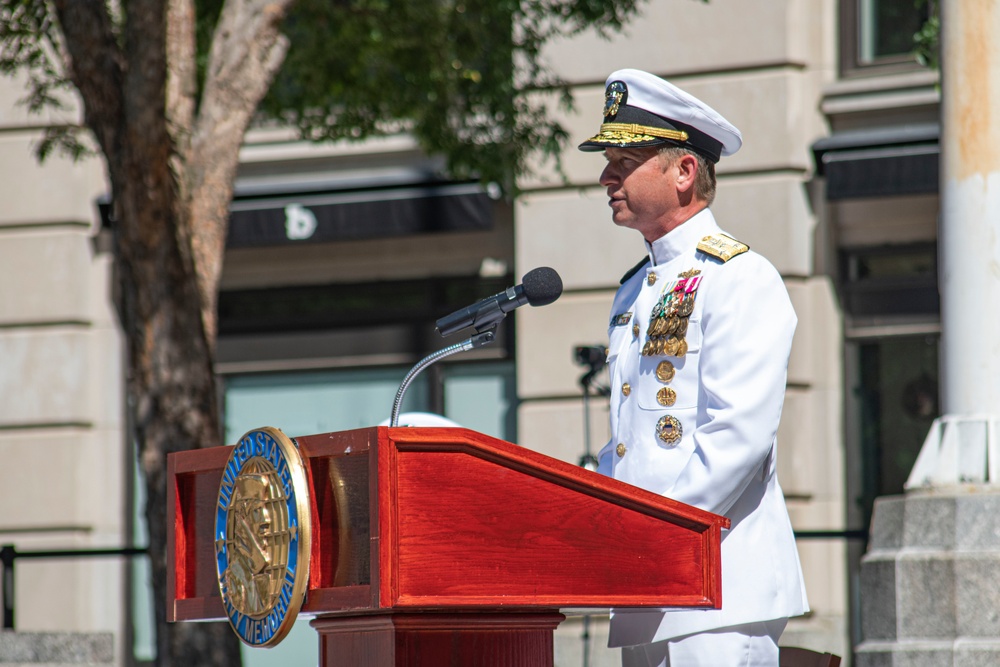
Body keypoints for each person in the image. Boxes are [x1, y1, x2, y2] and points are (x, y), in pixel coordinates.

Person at [579, 69, 809, 666]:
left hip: (719, 587)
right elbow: (629, 444)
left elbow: (740, 435)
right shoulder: (634, 290)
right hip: (649, 585)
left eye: (625, 158)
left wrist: (657, 536)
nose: (607, 176)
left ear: (684, 172)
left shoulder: (740, 276)